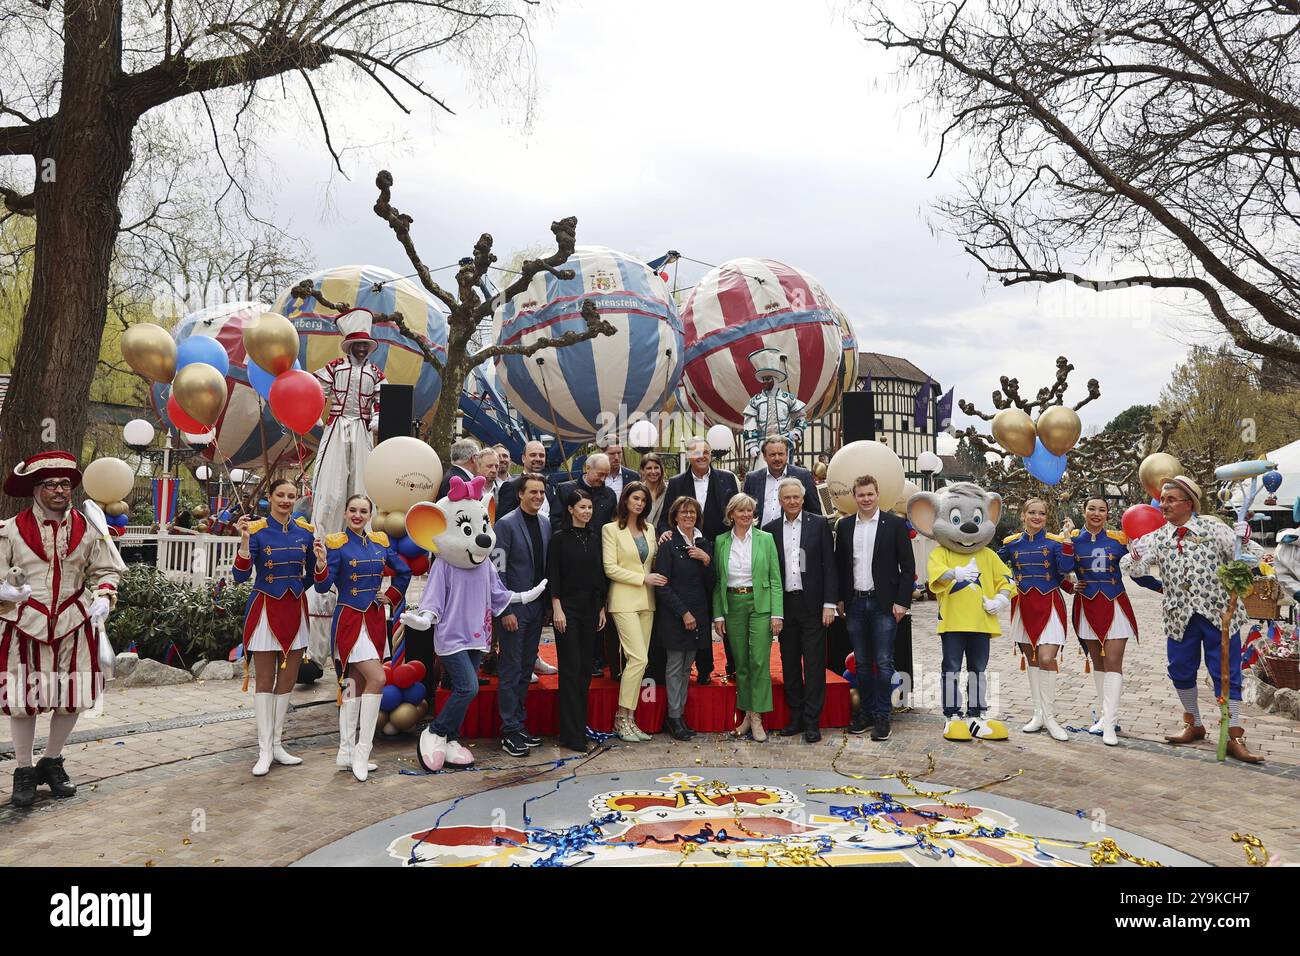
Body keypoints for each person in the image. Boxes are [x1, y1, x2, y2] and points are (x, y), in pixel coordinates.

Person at [401, 475, 547, 772]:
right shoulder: (443, 565)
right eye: (468, 529)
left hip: (478, 635)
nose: (480, 536)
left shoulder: (485, 565)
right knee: (469, 687)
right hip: (452, 637)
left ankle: (452, 739)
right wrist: (425, 617)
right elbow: (433, 599)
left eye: (482, 526)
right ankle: (437, 731)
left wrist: (525, 596)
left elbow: (500, 595)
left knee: (463, 687)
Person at [1, 451, 121, 808]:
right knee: (24, 700)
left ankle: (51, 762)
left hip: (74, 622)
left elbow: (106, 572)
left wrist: (104, 596)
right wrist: (4, 590)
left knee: (72, 695)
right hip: (25, 624)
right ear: (35, 489)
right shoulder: (9, 530)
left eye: (65, 484)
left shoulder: (90, 529)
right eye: (51, 484)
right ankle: (23, 770)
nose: (59, 490)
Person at [1121, 476, 1266, 763]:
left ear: (1189, 503)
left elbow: (1251, 558)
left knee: (1226, 674)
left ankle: (1233, 731)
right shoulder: (1159, 535)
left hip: (1220, 615)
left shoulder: (1212, 526)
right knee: (1180, 671)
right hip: (1179, 617)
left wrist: (1245, 540)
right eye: (1162, 500)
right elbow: (1131, 568)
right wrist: (1135, 556)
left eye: (1171, 499)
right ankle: (1194, 722)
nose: (1164, 504)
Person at [315, 494, 414, 781]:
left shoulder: (379, 543)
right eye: (353, 511)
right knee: (377, 679)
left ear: (369, 515)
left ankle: (346, 752)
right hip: (348, 621)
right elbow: (322, 587)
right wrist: (321, 564)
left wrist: (392, 594)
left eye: (363, 511)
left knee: (354, 684)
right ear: (345, 514)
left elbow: (404, 572)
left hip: (372, 621)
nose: (357, 515)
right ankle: (361, 751)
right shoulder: (336, 544)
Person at [232, 479, 326, 776]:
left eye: (291, 496)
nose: (286, 500)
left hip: (295, 609)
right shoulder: (257, 531)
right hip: (265, 610)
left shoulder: (305, 533)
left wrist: (320, 564)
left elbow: (316, 577)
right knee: (264, 680)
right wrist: (245, 543)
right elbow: (239, 576)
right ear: (270, 498)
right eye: (280, 495)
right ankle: (263, 750)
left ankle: (277, 745)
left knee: (287, 680)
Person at [308, 308, 385, 670]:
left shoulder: (376, 374)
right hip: (338, 427)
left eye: (365, 345)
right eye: (356, 345)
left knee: (362, 487)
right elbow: (312, 389)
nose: (361, 350)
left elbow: (384, 405)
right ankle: (318, 651)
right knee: (331, 492)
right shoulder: (334, 369)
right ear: (348, 346)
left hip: (363, 430)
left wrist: (378, 423)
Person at [834, 474, 915, 741]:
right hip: (855, 602)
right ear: (854, 497)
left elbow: (908, 567)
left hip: (884, 604)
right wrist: (841, 598)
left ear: (877, 495)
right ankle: (866, 713)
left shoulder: (894, 524)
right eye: (861, 495)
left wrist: (902, 601)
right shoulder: (844, 526)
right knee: (864, 664)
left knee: (883, 661)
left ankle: (882, 715)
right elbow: (841, 566)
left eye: (870, 494)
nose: (866, 499)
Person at [659, 436, 740, 684]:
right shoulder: (675, 483)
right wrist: (665, 532)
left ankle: (733, 666)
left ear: (711, 454)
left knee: (721, 608)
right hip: (687, 553)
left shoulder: (727, 479)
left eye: (706, 452)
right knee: (697, 609)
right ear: (689, 456)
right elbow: (665, 518)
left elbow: (735, 513)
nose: (702, 456)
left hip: (720, 550)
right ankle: (702, 667)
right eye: (696, 453)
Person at [764, 477, 836, 743]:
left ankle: (812, 721)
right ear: (780, 501)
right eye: (787, 498)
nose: (792, 501)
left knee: (815, 664)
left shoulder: (818, 524)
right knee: (789, 662)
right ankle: (795, 716)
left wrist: (830, 604)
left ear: (803, 498)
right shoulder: (770, 530)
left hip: (814, 605)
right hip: (785, 604)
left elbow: (830, 565)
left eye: (796, 497)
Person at [999, 497, 1075, 743]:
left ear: (1046, 517)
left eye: (1041, 513)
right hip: (1023, 606)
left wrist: (1066, 538)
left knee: (1046, 657)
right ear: (1023, 515)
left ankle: (1050, 717)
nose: (1036, 517)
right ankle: (1038, 714)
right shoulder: (1011, 545)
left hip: (1049, 604)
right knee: (1031, 658)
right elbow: (993, 565)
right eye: (1032, 512)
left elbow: (1065, 566)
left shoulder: (1053, 544)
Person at [1065, 497, 1137, 747]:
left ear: (1108, 514)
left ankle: (1109, 724)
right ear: (1083, 511)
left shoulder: (1120, 541)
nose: (1096, 513)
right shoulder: (1072, 541)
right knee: (1098, 662)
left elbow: (1137, 573)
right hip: (1087, 605)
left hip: (1115, 604)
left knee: (1114, 661)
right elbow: (1057, 569)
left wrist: (1163, 587)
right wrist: (1070, 585)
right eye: (1091, 509)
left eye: (1101, 510)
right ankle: (1106, 715)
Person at [712, 493, 783, 741]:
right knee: (740, 663)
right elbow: (718, 581)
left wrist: (777, 613)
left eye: (750, 511)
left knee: (760, 661)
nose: (745, 515)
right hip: (732, 603)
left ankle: (757, 718)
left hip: (760, 604)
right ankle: (747, 715)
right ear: (731, 514)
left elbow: (775, 579)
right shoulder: (720, 541)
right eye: (740, 511)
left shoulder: (766, 539)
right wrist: (718, 615)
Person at [493, 473, 552, 757]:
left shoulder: (545, 523)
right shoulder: (505, 525)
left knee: (526, 667)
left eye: (541, 493)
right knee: (511, 668)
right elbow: (498, 571)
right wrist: (504, 609)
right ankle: (509, 730)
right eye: (533, 492)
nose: (538, 497)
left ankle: (518, 723)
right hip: (514, 609)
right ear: (520, 494)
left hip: (537, 608)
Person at [603, 481, 664, 742]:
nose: (639, 503)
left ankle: (631, 718)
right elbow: (610, 568)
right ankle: (621, 718)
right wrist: (643, 579)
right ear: (625, 500)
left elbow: (654, 559)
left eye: (643, 500)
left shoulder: (650, 529)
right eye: (635, 498)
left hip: (647, 602)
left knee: (639, 661)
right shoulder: (611, 530)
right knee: (638, 658)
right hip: (624, 600)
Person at [547, 488, 607, 752]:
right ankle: (570, 735)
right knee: (570, 670)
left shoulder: (595, 538)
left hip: (590, 610)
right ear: (571, 510)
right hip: (567, 610)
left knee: (584, 670)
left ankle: (579, 727)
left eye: (589, 508)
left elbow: (598, 576)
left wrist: (602, 608)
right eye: (581, 507)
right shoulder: (559, 539)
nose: (587, 512)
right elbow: (554, 575)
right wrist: (556, 608)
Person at [653, 496, 715, 740]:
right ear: (675, 516)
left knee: (687, 666)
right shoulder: (668, 544)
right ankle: (674, 716)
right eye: (684, 512)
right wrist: (683, 613)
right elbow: (662, 585)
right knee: (675, 666)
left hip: (699, 613)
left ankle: (679, 715)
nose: (688, 516)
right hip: (676, 615)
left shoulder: (703, 542)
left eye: (692, 512)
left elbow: (711, 583)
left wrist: (706, 560)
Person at [744, 436, 822, 527]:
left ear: (787, 455)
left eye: (781, 454)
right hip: (759, 537)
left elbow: (815, 512)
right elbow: (744, 509)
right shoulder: (752, 479)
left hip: (793, 537)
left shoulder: (803, 476)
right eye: (772, 455)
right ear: (764, 456)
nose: (777, 458)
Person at [741, 379, 808, 462]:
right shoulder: (755, 401)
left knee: (785, 473)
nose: (765, 382)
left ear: (775, 380)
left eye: (768, 379)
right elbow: (749, 424)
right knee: (762, 473)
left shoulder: (787, 399)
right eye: (763, 379)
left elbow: (801, 417)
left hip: (784, 444)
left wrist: (796, 432)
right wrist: (752, 445)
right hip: (763, 446)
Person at [554, 453, 617, 533]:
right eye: (600, 474)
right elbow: (556, 521)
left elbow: (612, 524)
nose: (603, 479)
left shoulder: (610, 495)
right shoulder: (565, 490)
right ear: (587, 468)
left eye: (606, 475)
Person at [498, 440, 560, 520]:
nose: (538, 459)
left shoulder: (547, 488)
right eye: (533, 455)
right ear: (523, 458)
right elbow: (504, 523)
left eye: (541, 455)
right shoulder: (511, 487)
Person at [639, 453, 669, 531]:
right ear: (642, 471)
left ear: (661, 469)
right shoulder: (637, 491)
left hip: (664, 536)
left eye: (656, 468)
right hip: (642, 533)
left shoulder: (669, 490)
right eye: (649, 468)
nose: (653, 471)